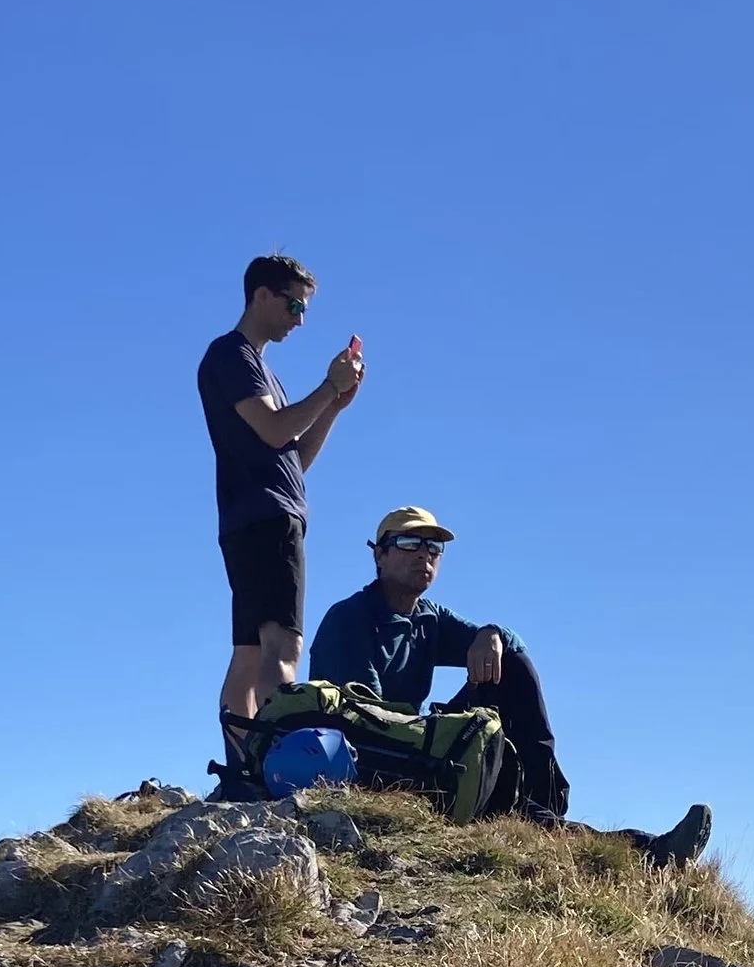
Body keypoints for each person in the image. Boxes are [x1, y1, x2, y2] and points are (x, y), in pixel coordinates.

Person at [309, 505, 712, 867]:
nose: (424, 555)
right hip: (378, 759)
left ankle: (544, 793)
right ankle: (644, 850)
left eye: (434, 548)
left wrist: (491, 633)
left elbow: (511, 645)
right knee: (479, 746)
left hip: (413, 742)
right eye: (410, 542)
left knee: (511, 664)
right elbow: (367, 720)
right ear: (379, 554)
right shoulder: (351, 620)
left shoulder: (427, 617)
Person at [196, 253, 363, 760]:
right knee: (282, 648)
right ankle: (281, 762)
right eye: (293, 304)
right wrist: (328, 386)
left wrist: (333, 404)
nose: (299, 319)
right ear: (261, 295)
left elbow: (294, 456)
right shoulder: (232, 356)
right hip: (267, 520)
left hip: (258, 515)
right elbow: (274, 429)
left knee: (248, 654)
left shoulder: (262, 373)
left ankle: (243, 768)